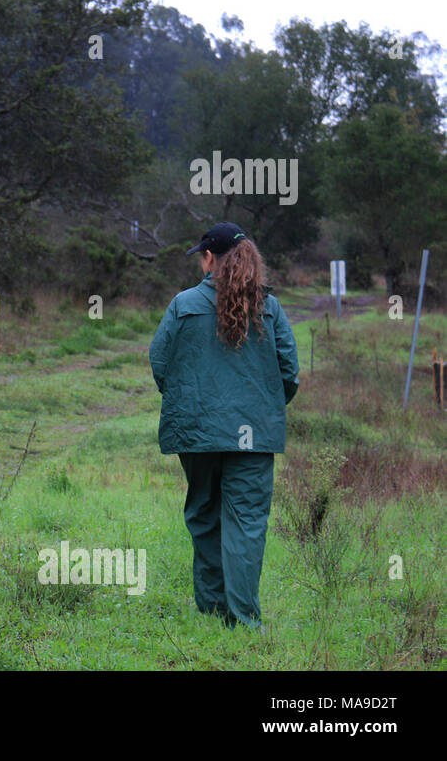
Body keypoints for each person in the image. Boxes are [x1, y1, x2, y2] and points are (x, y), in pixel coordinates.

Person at [148, 222, 299, 630]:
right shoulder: (271, 307)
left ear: (210, 258)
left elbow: (160, 364)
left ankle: (213, 611)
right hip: (255, 432)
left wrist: (189, 402)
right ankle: (245, 619)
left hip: (197, 431)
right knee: (247, 522)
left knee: (204, 512)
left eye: (201, 255)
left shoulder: (183, 304)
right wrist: (261, 406)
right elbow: (290, 374)